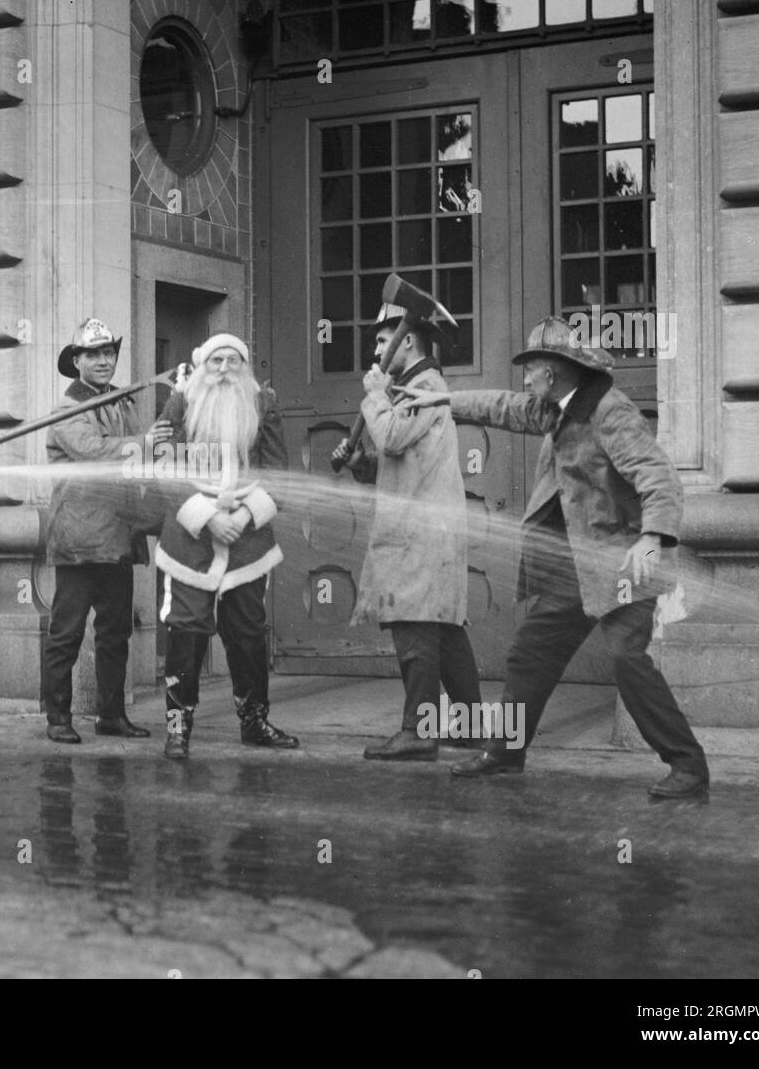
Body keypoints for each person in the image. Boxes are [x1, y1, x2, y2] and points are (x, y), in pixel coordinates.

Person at [406, 316, 710, 798]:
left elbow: (660, 477)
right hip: (575, 566)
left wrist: (652, 539)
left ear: (554, 370)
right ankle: (506, 752)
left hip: (622, 564)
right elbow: (505, 407)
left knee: (626, 660)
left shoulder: (609, 411)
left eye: (532, 369)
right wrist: (444, 400)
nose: (526, 379)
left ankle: (689, 767)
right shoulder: (557, 409)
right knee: (532, 653)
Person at [332, 304, 484, 760]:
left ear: (407, 341)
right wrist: (360, 463)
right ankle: (474, 727)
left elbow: (393, 436)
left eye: (382, 341)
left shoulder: (425, 387)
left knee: (413, 627)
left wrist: (375, 395)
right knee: (445, 630)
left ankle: (418, 732)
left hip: (421, 534)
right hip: (425, 530)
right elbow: (399, 459)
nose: (375, 351)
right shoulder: (414, 389)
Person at [154, 332, 298, 759]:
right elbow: (163, 469)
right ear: (201, 366)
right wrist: (208, 517)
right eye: (215, 361)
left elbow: (278, 476)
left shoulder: (263, 405)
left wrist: (245, 514)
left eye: (233, 362)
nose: (223, 370)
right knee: (187, 630)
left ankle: (254, 720)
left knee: (248, 631)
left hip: (248, 539)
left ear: (245, 367)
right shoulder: (178, 404)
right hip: (189, 538)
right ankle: (178, 728)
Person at [41, 318, 172, 743]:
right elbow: (96, 453)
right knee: (67, 632)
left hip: (118, 537)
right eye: (93, 354)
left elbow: (136, 458)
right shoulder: (65, 410)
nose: (103, 361)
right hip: (80, 541)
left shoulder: (122, 403)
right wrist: (147, 443)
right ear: (76, 361)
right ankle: (58, 719)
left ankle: (110, 715)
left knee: (116, 630)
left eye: (109, 353)